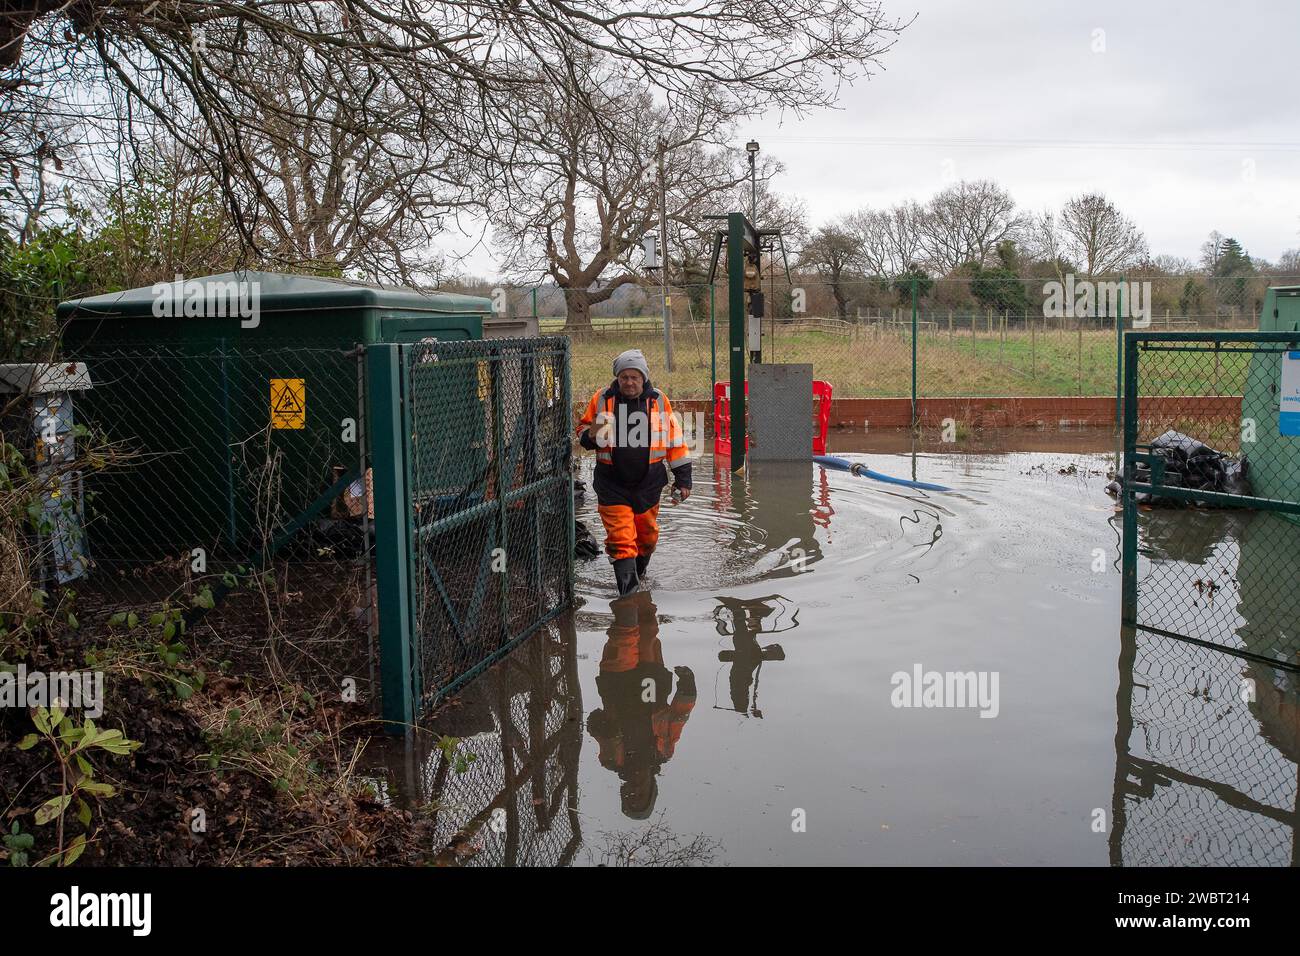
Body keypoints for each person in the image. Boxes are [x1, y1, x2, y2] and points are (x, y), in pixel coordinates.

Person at [576, 348, 691, 595]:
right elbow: (584, 432)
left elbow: (675, 441)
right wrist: (591, 436)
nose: (629, 382)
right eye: (624, 377)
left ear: (644, 378)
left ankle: (640, 573)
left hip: (648, 484)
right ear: (617, 378)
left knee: (646, 538)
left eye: (634, 377)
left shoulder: (658, 401)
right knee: (621, 539)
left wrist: (683, 479)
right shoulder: (604, 399)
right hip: (611, 485)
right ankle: (628, 601)